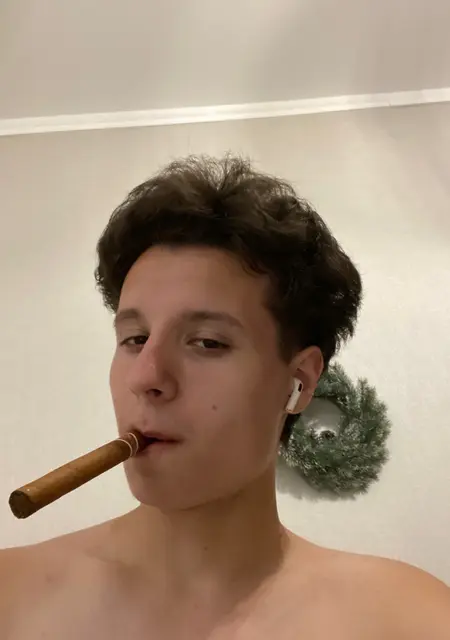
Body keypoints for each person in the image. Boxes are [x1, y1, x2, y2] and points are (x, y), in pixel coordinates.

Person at [1, 155, 449, 639]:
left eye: (208, 343)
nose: (146, 376)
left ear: (299, 381)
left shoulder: (412, 620)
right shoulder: (12, 599)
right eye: (135, 338)